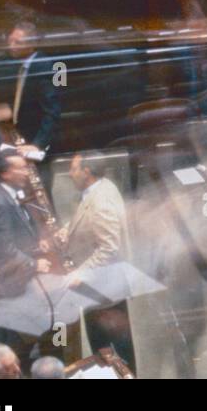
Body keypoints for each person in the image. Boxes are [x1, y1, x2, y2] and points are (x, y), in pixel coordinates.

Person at [57, 152, 135, 371]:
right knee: (115, 347)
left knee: (110, 349)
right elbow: (88, 221)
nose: (70, 174)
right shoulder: (100, 187)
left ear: (87, 172)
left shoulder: (101, 202)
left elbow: (109, 247)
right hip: (104, 288)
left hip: (103, 291)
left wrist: (79, 273)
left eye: (73, 169)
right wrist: (68, 231)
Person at [0, 151, 52, 279]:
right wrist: (34, 264)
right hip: (15, 275)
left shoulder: (9, 194)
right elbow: (5, 249)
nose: (26, 173)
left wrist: (38, 241)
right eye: (22, 169)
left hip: (25, 262)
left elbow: (21, 225)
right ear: (5, 174)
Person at [1, 22, 61, 156]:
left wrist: (37, 145)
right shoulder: (15, 60)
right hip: (20, 131)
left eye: (18, 43)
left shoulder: (46, 68)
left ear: (32, 45)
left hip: (37, 137)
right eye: (10, 40)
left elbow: (52, 112)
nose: (11, 46)